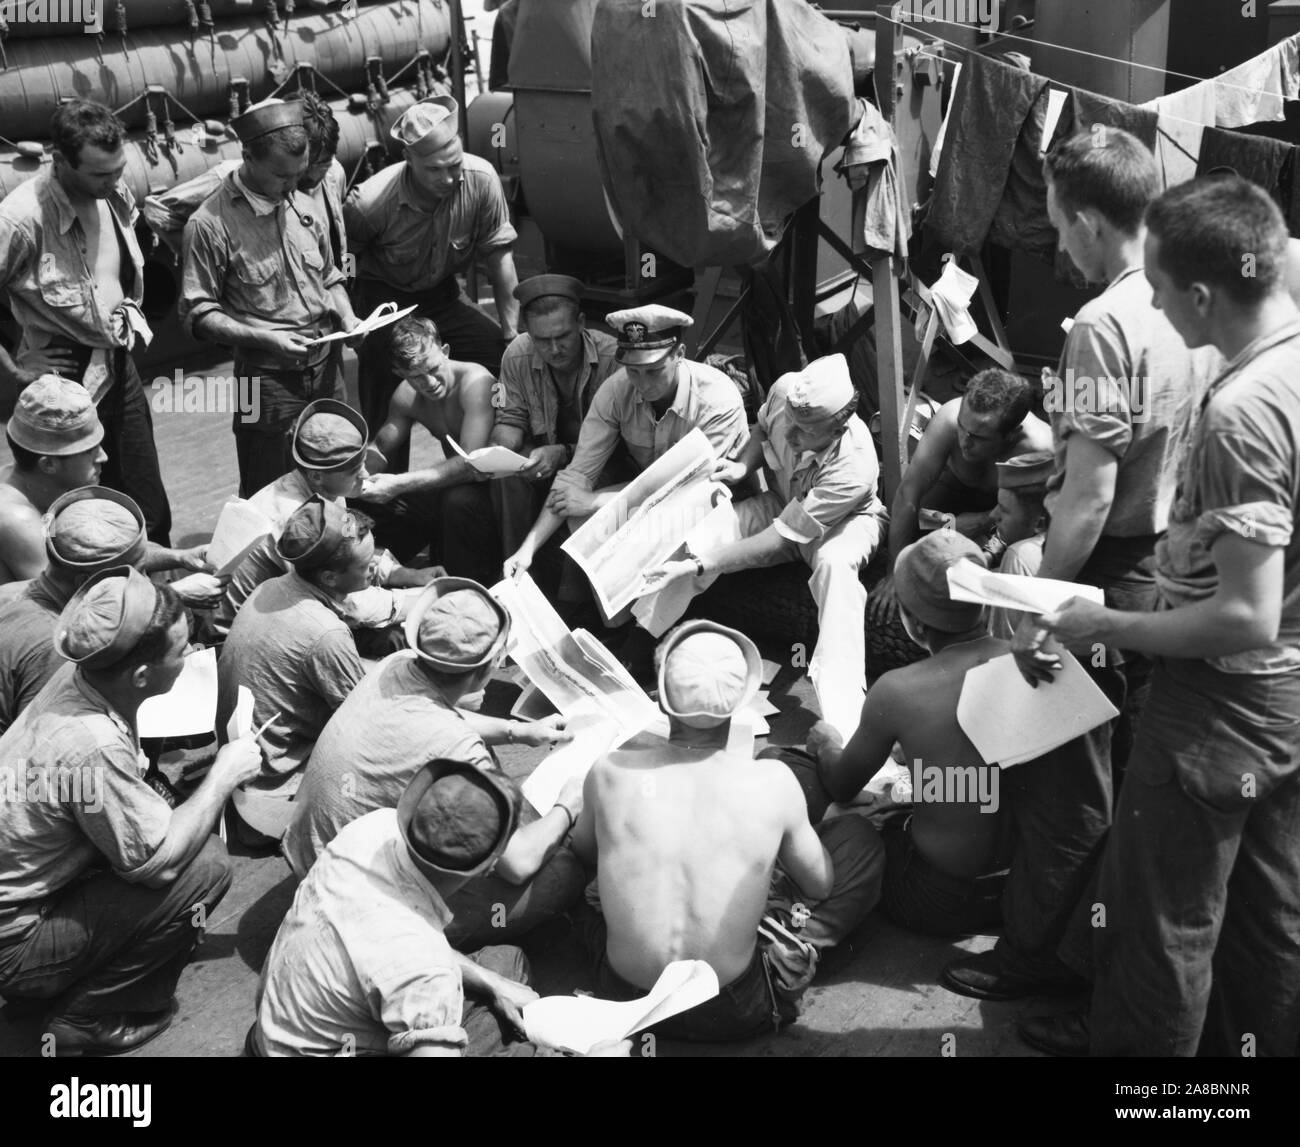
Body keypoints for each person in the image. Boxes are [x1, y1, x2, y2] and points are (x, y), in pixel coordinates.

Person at [1019, 176, 1300, 1058]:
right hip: (1285, 702)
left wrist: (1105, 625)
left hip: (1220, 707)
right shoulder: (1290, 357)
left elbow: (1243, 617)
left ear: (1203, 294)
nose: (1156, 307)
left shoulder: (1244, 412)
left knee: (1161, 931)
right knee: (1267, 916)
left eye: (1163, 289)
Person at [941, 128, 1219, 1004]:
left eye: (1060, 226)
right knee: (1126, 782)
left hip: (1105, 572)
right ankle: (1089, 961)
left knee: (1067, 788)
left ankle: (1037, 961)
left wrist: (1040, 610)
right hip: (1172, 573)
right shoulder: (1193, 307)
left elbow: (1090, 497)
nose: (1057, 245)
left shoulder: (1104, 324)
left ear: (1094, 221)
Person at [571, 621, 884, 1041]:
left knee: (595, 886)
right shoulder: (772, 782)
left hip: (625, 998)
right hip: (733, 1008)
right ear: (741, 704)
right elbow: (820, 883)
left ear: (661, 703)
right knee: (860, 838)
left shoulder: (610, 771)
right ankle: (785, 932)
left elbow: (584, 851)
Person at [0, 567, 263, 1056]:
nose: (191, 654)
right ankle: (83, 1017)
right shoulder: (90, 742)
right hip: (13, 945)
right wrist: (224, 774)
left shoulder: (78, 678)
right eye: (183, 649)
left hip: (22, 897)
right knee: (202, 867)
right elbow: (157, 868)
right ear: (142, 675)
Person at [253, 759, 628, 1057]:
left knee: (504, 962)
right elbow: (413, 961)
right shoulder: (426, 973)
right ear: (488, 867)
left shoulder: (370, 831)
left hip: (282, 1029)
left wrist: (490, 983)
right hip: (330, 1045)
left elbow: (390, 947)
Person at [283, 577, 583, 949]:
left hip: (313, 855)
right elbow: (518, 863)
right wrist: (567, 808)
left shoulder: (397, 664)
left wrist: (517, 731)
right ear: (486, 669)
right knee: (564, 873)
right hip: (350, 909)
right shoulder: (454, 743)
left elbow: (439, 716)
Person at [643, 353, 885, 741]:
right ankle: (643, 640)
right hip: (783, 501)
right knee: (706, 532)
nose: (790, 436)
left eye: (804, 431)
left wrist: (701, 565)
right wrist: (743, 465)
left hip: (842, 523)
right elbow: (761, 430)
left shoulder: (853, 465)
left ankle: (844, 720)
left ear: (838, 428)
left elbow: (778, 542)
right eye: (790, 420)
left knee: (834, 568)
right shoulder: (786, 389)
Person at [797, 532, 1010, 937]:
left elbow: (842, 785)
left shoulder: (898, 690)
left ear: (911, 620)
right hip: (1017, 890)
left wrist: (827, 743)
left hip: (936, 900)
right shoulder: (1024, 660)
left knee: (848, 821)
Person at [504, 306, 747, 639]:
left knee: (608, 510)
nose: (641, 382)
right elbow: (575, 477)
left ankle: (643, 637)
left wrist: (592, 502)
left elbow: (683, 492)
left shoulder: (716, 398)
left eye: (652, 370)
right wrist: (526, 550)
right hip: (649, 492)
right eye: (633, 370)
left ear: (679, 354)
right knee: (582, 506)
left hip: (710, 500)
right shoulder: (618, 389)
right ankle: (608, 625)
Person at [0, 100, 172, 544]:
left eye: (118, 169)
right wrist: (16, 375)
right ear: (60, 161)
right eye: (100, 174)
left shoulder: (114, 193)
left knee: (149, 509)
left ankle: (165, 604)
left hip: (118, 362)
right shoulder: (21, 219)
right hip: (62, 376)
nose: (114, 180)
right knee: (83, 520)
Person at [179, 98, 360, 497]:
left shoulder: (303, 201)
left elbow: (330, 276)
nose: (292, 185)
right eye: (281, 175)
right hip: (260, 379)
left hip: (327, 369)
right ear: (247, 157)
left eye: (299, 173)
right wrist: (265, 338)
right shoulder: (208, 225)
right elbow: (197, 313)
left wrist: (346, 317)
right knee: (266, 491)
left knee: (336, 477)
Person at [346, 94, 519, 471]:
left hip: (442, 294)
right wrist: (348, 319)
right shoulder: (370, 203)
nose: (449, 178)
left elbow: (499, 259)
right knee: (385, 386)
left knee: (504, 360)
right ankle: (382, 495)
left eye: (454, 164)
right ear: (409, 161)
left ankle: (487, 466)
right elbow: (344, 263)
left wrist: (512, 335)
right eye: (435, 169)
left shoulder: (481, 180)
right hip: (384, 302)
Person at [214, 397, 436, 650]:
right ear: (316, 476)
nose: (364, 474)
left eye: (362, 463)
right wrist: (426, 599)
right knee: (397, 638)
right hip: (242, 641)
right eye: (354, 471)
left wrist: (404, 574)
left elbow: (350, 552)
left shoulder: (326, 489)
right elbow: (348, 604)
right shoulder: (296, 519)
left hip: (279, 614)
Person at [215, 497, 370, 841]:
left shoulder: (273, 587)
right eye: (365, 566)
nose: (372, 571)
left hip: (246, 772)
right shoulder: (325, 632)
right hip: (274, 799)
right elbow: (365, 724)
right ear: (329, 576)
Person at [0, 377, 222, 604]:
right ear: (48, 464)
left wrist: (180, 557)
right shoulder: (17, 519)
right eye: (90, 451)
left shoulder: (49, 482)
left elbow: (113, 555)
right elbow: (66, 609)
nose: (103, 457)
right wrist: (175, 594)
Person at [869, 368, 1051, 625]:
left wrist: (984, 528)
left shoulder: (1040, 449)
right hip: (944, 509)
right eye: (963, 429)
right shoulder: (949, 418)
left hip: (997, 519)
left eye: (977, 437)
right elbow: (908, 495)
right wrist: (894, 573)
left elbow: (1029, 524)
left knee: (994, 561)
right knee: (916, 522)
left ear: (1011, 434)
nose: (965, 441)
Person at [351, 317, 500, 583]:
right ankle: (372, 575)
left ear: (445, 352)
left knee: (457, 500)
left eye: (433, 368)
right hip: (450, 483)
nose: (429, 382)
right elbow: (382, 448)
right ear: (400, 373)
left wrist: (399, 483)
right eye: (416, 377)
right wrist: (359, 478)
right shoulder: (406, 395)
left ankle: (465, 586)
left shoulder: (477, 383)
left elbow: (471, 462)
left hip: (492, 487)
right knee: (358, 498)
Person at [488, 274, 622, 563]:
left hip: (602, 461)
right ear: (527, 332)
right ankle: (515, 570)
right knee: (505, 479)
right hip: (542, 456)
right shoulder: (515, 354)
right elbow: (508, 417)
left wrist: (562, 453)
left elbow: (621, 443)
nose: (554, 349)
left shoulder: (613, 358)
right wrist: (499, 452)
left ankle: (571, 596)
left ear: (582, 323)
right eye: (542, 340)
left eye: (562, 337)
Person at [1, 488, 150, 735]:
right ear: (88, 582)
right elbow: (45, 755)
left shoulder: (12, 593)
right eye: (136, 575)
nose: (145, 584)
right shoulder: (58, 649)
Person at [143, 90, 348, 271]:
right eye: (308, 164)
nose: (313, 175)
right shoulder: (228, 179)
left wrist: (350, 280)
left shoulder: (334, 175)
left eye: (323, 163)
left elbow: (343, 242)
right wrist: (208, 264)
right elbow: (157, 211)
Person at [985, 450, 1053, 640]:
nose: (993, 515)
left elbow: (1004, 646)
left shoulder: (1021, 556)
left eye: (1004, 511)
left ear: (1039, 524)